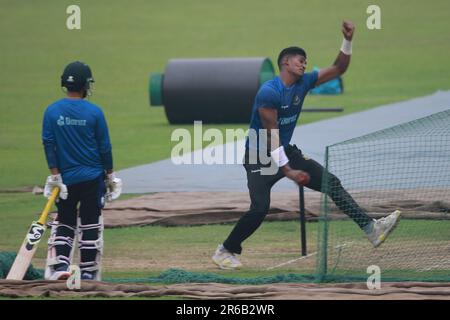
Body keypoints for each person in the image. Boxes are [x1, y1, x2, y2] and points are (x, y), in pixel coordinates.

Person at [212, 21, 401, 269]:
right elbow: (272, 135)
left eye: (305, 60)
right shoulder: (269, 92)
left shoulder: (305, 83)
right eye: (300, 60)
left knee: (330, 182)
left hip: (285, 151)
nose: (304, 63)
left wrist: (347, 40)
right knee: (259, 208)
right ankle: (225, 251)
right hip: (259, 155)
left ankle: (371, 228)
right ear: (285, 63)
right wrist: (288, 170)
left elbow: (338, 68)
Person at [42, 61, 122, 280]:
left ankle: (60, 266)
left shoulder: (52, 111)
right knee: (90, 222)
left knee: (65, 221)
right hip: (91, 178)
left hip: (65, 180)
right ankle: (87, 270)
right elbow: (104, 147)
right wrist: (110, 175)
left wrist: (55, 175)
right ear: (86, 85)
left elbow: (48, 144)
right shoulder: (95, 112)